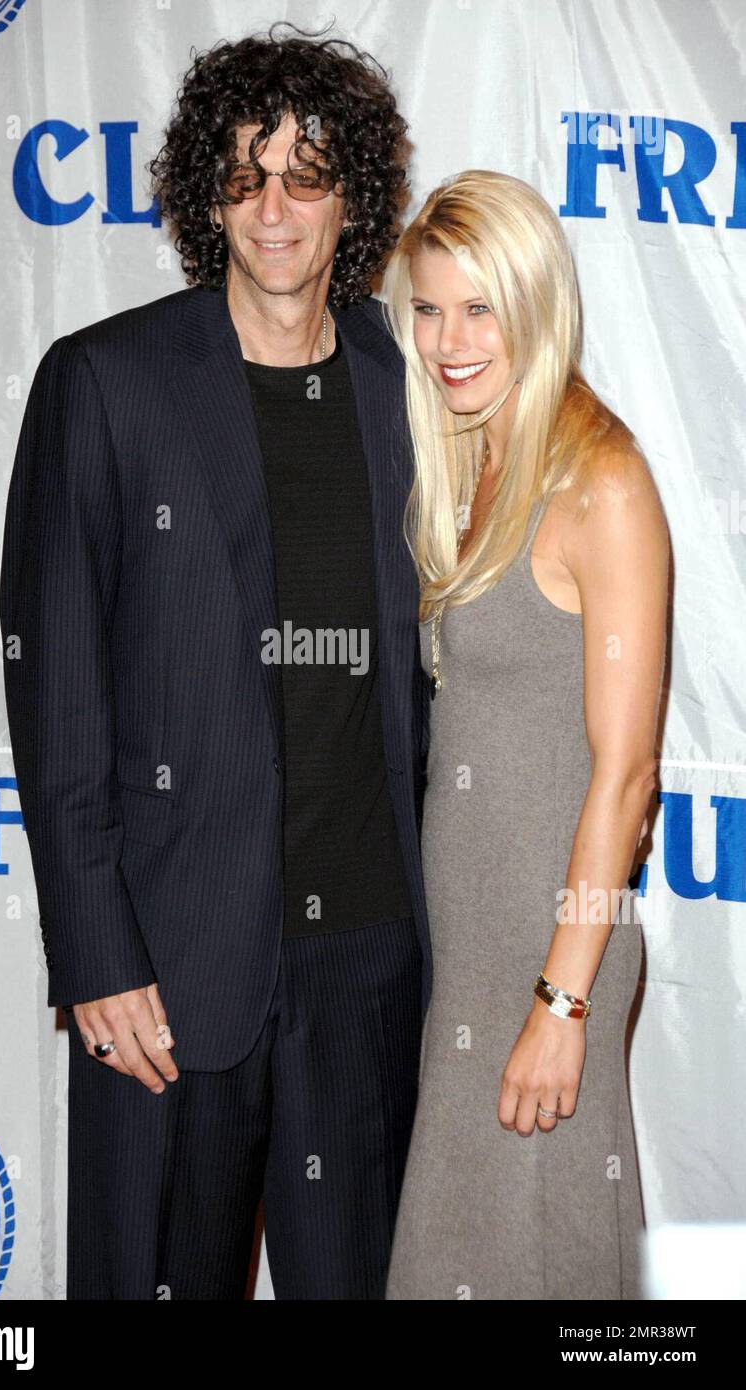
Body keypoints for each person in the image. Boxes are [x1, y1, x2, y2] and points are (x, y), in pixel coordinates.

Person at [0, 24, 432, 1300]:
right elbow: (55, 689)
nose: (275, 209)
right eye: (244, 177)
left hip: (362, 960)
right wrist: (95, 955)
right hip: (170, 964)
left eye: (305, 173)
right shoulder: (105, 381)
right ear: (206, 193)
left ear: (351, 192)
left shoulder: (398, 382)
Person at [381, 170, 669, 1300]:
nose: (447, 342)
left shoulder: (603, 483)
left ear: (536, 305)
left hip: (551, 961)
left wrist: (560, 1004)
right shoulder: (464, 460)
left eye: (477, 309)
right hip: (466, 964)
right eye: (427, 308)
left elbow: (627, 774)